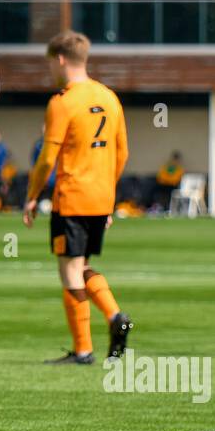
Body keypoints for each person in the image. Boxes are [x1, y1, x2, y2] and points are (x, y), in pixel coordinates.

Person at [23, 31, 132, 365]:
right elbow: (122, 153)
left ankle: (87, 345)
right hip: (101, 197)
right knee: (81, 265)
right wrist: (109, 195)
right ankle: (113, 318)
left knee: (69, 271)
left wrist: (31, 196)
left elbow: (46, 158)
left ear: (59, 60)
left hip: (71, 197)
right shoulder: (109, 97)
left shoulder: (62, 101)